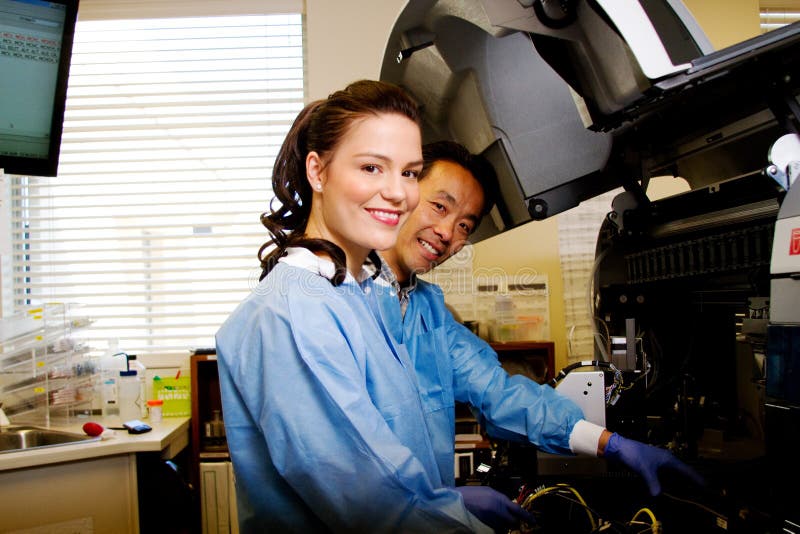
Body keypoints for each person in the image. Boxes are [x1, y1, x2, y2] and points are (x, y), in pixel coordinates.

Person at [216, 80, 518, 533]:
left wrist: (443, 499)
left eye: (410, 173)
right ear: (318, 172)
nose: (398, 193)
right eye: (373, 167)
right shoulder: (293, 314)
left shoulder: (358, 295)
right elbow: (374, 507)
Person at [374, 140, 704, 531]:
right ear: (402, 194)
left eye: (464, 225)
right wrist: (431, 500)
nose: (447, 233)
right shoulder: (336, 301)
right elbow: (324, 454)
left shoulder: (428, 309)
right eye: (440, 206)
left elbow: (499, 393)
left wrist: (609, 444)